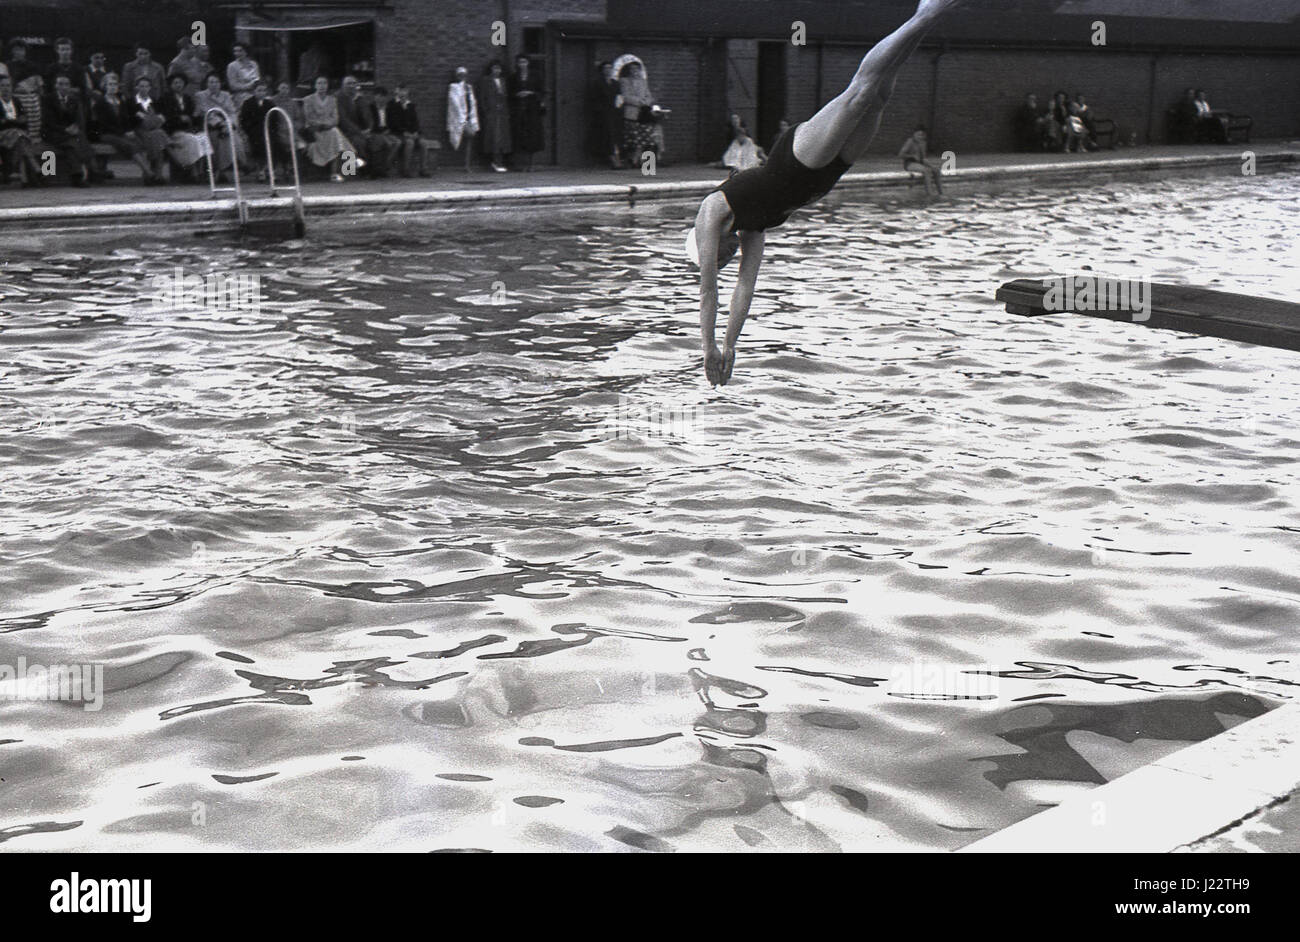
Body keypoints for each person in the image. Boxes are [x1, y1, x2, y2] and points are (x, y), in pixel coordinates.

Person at [688, 0, 962, 387]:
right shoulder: (753, 229)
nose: (725, 260)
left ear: (708, 248)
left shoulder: (711, 210)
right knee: (879, 97)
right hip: (824, 178)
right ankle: (926, 17)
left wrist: (707, 348)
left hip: (796, 159)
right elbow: (744, 288)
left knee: (861, 94)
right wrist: (730, 346)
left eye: (717, 258)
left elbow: (709, 291)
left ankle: (927, 13)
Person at [89, 71, 157, 183]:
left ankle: (147, 176)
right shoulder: (100, 103)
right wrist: (123, 133)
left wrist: (129, 131)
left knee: (139, 142)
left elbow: (126, 120)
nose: (112, 87)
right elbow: (104, 124)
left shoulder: (121, 101)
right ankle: (149, 173)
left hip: (121, 133)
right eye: (110, 84)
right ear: (105, 86)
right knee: (129, 145)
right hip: (107, 134)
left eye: (114, 84)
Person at [43, 74, 95, 185]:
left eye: (66, 84)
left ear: (70, 86)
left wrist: (75, 127)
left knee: (74, 143)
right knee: (73, 143)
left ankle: (78, 175)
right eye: (60, 84)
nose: (64, 87)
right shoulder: (48, 99)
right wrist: (65, 129)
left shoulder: (74, 99)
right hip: (53, 132)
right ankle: (88, 171)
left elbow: (79, 119)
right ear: (56, 86)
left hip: (71, 133)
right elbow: (49, 122)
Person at [336, 75, 393, 177]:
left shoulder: (361, 99)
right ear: (342, 86)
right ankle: (364, 169)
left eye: (354, 83)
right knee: (359, 142)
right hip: (347, 132)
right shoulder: (339, 99)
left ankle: (379, 169)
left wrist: (369, 129)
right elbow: (344, 120)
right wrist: (360, 132)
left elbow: (369, 116)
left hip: (364, 132)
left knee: (382, 141)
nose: (351, 86)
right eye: (348, 83)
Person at [195, 72, 248, 181]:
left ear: (220, 83)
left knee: (232, 136)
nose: (214, 84)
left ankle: (236, 165)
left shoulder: (226, 95)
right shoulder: (201, 95)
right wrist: (220, 124)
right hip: (210, 125)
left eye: (216, 82)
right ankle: (222, 169)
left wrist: (229, 124)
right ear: (207, 84)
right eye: (211, 82)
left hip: (226, 125)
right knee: (221, 137)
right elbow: (207, 113)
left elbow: (232, 112)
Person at [302, 75, 354, 181]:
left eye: (324, 83)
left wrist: (328, 125)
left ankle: (343, 172)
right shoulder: (308, 99)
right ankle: (338, 172)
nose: (322, 86)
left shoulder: (332, 100)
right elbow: (309, 117)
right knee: (338, 139)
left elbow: (335, 118)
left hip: (329, 129)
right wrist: (321, 125)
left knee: (336, 136)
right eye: (319, 83)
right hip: (315, 131)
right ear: (315, 85)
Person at [160, 71, 210, 181]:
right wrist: (180, 119)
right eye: (175, 83)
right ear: (171, 85)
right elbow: (167, 117)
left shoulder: (187, 98)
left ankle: (202, 171)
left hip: (188, 129)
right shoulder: (166, 98)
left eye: (180, 82)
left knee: (203, 138)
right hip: (174, 131)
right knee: (191, 140)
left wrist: (194, 116)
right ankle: (193, 172)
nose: (178, 85)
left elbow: (192, 115)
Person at [125, 74, 170, 181]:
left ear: (150, 88)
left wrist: (148, 119)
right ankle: (158, 174)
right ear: (136, 87)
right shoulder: (130, 102)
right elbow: (132, 120)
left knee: (157, 135)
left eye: (146, 86)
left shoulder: (155, 101)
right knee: (158, 138)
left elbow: (161, 119)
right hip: (139, 132)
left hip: (154, 131)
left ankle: (153, 175)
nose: (143, 88)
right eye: (141, 86)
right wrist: (151, 119)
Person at [0, 75, 40, 186]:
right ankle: (36, 169)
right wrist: (13, 121)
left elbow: (24, 119)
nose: (5, 88)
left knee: (19, 140)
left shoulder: (16, 101)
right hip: (2, 135)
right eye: (2, 85)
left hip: (16, 135)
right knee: (19, 137)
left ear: (11, 87)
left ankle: (23, 179)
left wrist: (9, 121)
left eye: (8, 85)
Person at [239, 79, 283, 181]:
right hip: (254, 132)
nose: (261, 93)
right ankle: (261, 171)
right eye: (259, 90)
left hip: (268, 131)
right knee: (258, 144)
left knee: (275, 144)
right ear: (254, 91)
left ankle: (270, 170)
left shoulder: (270, 103)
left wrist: (271, 130)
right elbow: (244, 120)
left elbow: (275, 119)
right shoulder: (247, 103)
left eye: (263, 90)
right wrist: (250, 131)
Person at [508, 54, 544, 171]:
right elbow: (509, 93)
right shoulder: (513, 77)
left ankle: (531, 164)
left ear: (528, 63)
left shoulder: (536, 76)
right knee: (520, 135)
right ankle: (521, 164)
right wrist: (517, 95)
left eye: (524, 62)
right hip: (519, 109)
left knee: (532, 135)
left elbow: (542, 91)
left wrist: (530, 93)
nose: (522, 64)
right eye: (520, 62)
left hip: (532, 109)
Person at [617, 60, 657, 165]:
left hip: (644, 113)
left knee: (645, 137)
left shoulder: (643, 82)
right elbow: (625, 96)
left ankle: (643, 162)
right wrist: (639, 102)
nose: (634, 71)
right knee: (632, 138)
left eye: (636, 69)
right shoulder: (624, 81)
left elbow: (648, 95)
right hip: (632, 113)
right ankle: (631, 159)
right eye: (632, 69)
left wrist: (646, 102)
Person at [388, 81, 430, 177]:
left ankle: (423, 169)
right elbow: (393, 122)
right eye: (400, 91)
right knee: (409, 142)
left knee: (424, 143)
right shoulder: (392, 105)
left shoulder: (411, 105)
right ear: (396, 92)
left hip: (411, 133)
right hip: (398, 133)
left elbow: (415, 121)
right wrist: (404, 132)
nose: (403, 93)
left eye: (405, 91)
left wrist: (416, 132)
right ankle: (405, 169)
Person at [477, 61, 511, 172]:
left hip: (502, 114)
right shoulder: (486, 81)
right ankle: (494, 162)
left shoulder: (503, 81)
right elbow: (482, 97)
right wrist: (486, 111)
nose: (497, 71)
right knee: (493, 138)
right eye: (495, 68)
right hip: (491, 113)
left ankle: (500, 161)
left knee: (502, 138)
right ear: (491, 69)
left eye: (499, 69)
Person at [446, 66, 479, 172]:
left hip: (470, 117)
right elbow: (455, 104)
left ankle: (467, 164)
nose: (462, 77)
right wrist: (463, 120)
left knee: (470, 139)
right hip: (460, 118)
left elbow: (472, 103)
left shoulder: (469, 87)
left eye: (464, 75)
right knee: (469, 135)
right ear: (457, 76)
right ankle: (465, 164)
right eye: (460, 75)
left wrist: (472, 118)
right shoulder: (454, 87)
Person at [367, 85, 402, 175]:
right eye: (378, 96)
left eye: (382, 96)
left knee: (397, 142)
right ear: (374, 97)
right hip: (375, 132)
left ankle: (385, 165)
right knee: (388, 143)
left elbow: (393, 122)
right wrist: (380, 131)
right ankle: (381, 168)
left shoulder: (389, 108)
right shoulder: (370, 108)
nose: (380, 99)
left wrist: (388, 130)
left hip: (387, 132)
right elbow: (370, 123)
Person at [899, 125, 942, 196]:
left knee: (936, 170)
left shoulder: (923, 143)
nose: (919, 137)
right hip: (910, 163)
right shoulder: (910, 141)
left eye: (921, 135)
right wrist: (912, 156)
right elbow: (901, 155)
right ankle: (930, 193)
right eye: (918, 134)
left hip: (920, 163)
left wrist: (932, 166)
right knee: (927, 171)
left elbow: (923, 158)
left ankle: (940, 193)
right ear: (914, 134)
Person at [226, 43, 261, 110]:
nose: (237, 53)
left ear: (246, 52)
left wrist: (256, 84)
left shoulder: (254, 64)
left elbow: (258, 78)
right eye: (235, 51)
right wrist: (248, 86)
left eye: (240, 51)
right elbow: (232, 86)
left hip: (256, 93)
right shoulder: (232, 66)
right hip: (241, 96)